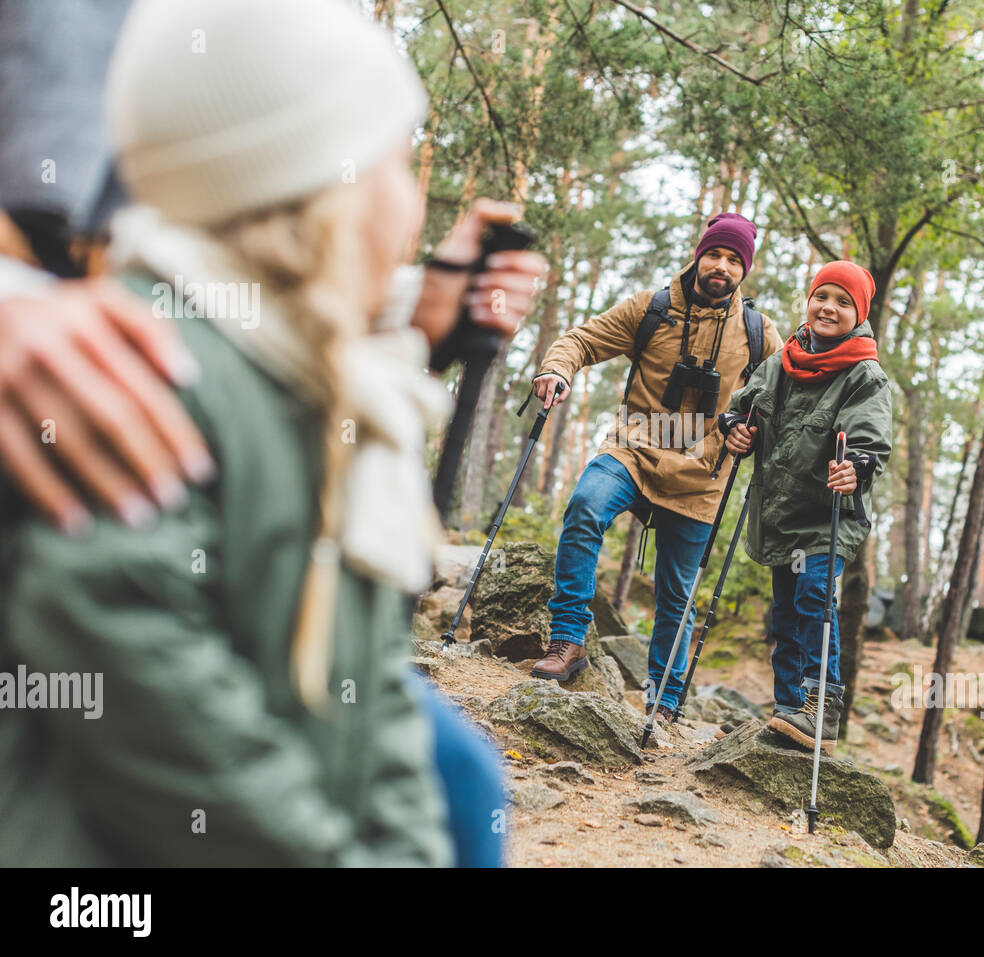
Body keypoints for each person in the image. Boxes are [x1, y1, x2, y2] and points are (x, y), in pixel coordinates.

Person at [0, 0, 544, 866]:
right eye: (397, 166)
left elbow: (373, 698)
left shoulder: (330, 400)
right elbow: (158, 716)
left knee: (459, 783)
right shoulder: (150, 393)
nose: (414, 198)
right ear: (324, 195)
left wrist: (415, 308)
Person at [529, 213, 781, 722]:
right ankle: (568, 639)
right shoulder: (652, 307)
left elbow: (782, 401)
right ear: (698, 254)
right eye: (715, 254)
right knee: (585, 507)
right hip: (634, 446)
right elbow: (581, 340)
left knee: (678, 592)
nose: (722, 266)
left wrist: (750, 432)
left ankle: (663, 701)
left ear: (744, 271)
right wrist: (556, 369)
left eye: (735, 260)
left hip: (702, 471)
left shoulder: (758, 332)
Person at [720, 260, 893, 753]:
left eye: (843, 302)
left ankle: (823, 708)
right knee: (784, 614)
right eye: (822, 296)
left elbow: (870, 434)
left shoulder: (865, 375)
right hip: (781, 513)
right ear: (809, 300)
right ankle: (788, 709)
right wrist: (735, 425)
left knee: (814, 597)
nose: (829, 308)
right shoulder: (784, 361)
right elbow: (745, 404)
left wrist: (857, 464)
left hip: (829, 517)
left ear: (857, 313)